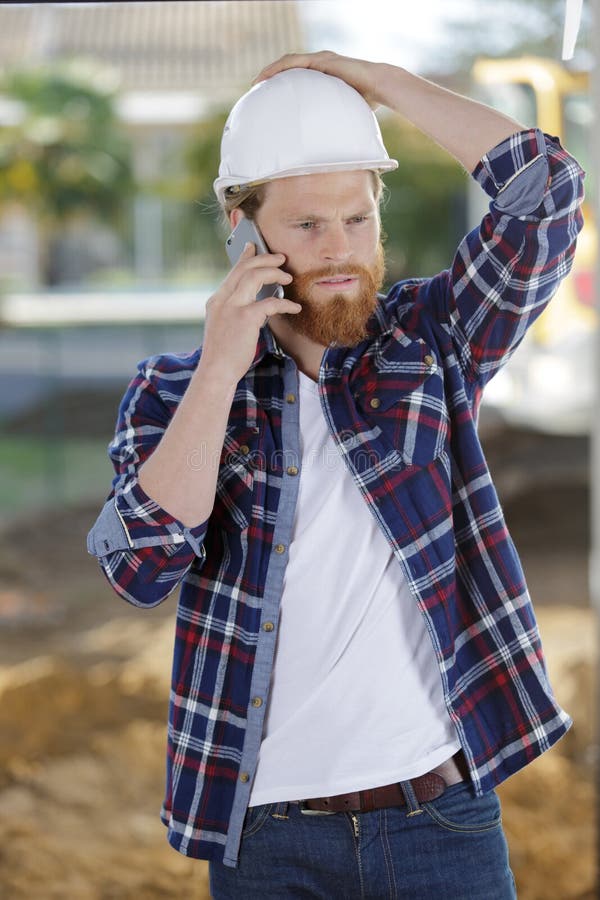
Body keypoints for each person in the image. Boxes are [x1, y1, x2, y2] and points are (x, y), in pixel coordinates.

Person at [87, 51, 585, 899]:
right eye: (310, 226)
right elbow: (138, 566)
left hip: (441, 823)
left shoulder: (431, 340)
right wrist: (219, 371)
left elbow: (548, 196)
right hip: (268, 844)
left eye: (358, 219)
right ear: (244, 232)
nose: (342, 250)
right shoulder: (175, 389)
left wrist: (383, 85)